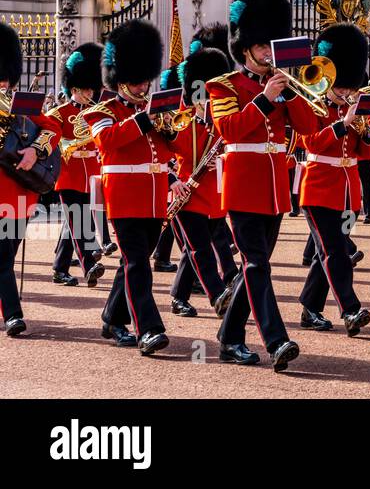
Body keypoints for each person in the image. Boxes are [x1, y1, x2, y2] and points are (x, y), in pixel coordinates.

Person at [207, 0, 317, 372]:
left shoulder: (281, 85)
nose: (269, 54)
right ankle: (276, 339)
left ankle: (228, 339)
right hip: (242, 184)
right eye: (262, 47)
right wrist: (266, 98)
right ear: (245, 47)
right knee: (256, 265)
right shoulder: (223, 86)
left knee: (257, 267)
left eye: (272, 47)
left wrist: (292, 95)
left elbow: (309, 128)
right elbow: (230, 131)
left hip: (273, 188)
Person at [89, 20, 176, 356]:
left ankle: (112, 318)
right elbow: (109, 143)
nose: (143, 86)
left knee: (132, 263)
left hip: (153, 197)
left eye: (145, 80)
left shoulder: (150, 110)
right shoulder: (103, 111)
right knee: (138, 264)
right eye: (138, 81)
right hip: (124, 197)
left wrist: (167, 131)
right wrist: (144, 120)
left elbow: (166, 153)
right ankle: (149, 329)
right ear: (121, 78)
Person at [297, 24, 370, 337]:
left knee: (328, 253)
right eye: (340, 87)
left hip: (347, 191)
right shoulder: (311, 105)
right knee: (336, 253)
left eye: (347, 86)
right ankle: (351, 309)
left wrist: (366, 132)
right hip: (318, 189)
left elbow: (365, 154)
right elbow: (310, 142)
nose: (344, 92)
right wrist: (343, 124)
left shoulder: (352, 108)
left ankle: (309, 309)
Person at [167, 48, 239, 318]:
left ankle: (178, 297)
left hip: (212, 192)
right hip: (187, 189)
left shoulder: (219, 115)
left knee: (193, 248)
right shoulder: (181, 116)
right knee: (199, 247)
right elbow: (169, 151)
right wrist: (172, 180)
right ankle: (217, 293)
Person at [0, 23, 60, 338]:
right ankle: (13, 315)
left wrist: (35, 151)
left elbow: (53, 128)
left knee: (6, 255)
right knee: (1, 258)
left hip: (20, 196)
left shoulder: (21, 103)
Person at [48, 43, 107, 289]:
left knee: (74, 221)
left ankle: (60, 269)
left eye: (92, 88)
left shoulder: (97, 112)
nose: (90, 93)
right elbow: (54, 141)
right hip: (70, 174)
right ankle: (88, 264)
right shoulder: (59, 114)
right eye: (85, 89)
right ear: (74, 89)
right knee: (79, 220)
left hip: (91, 173)